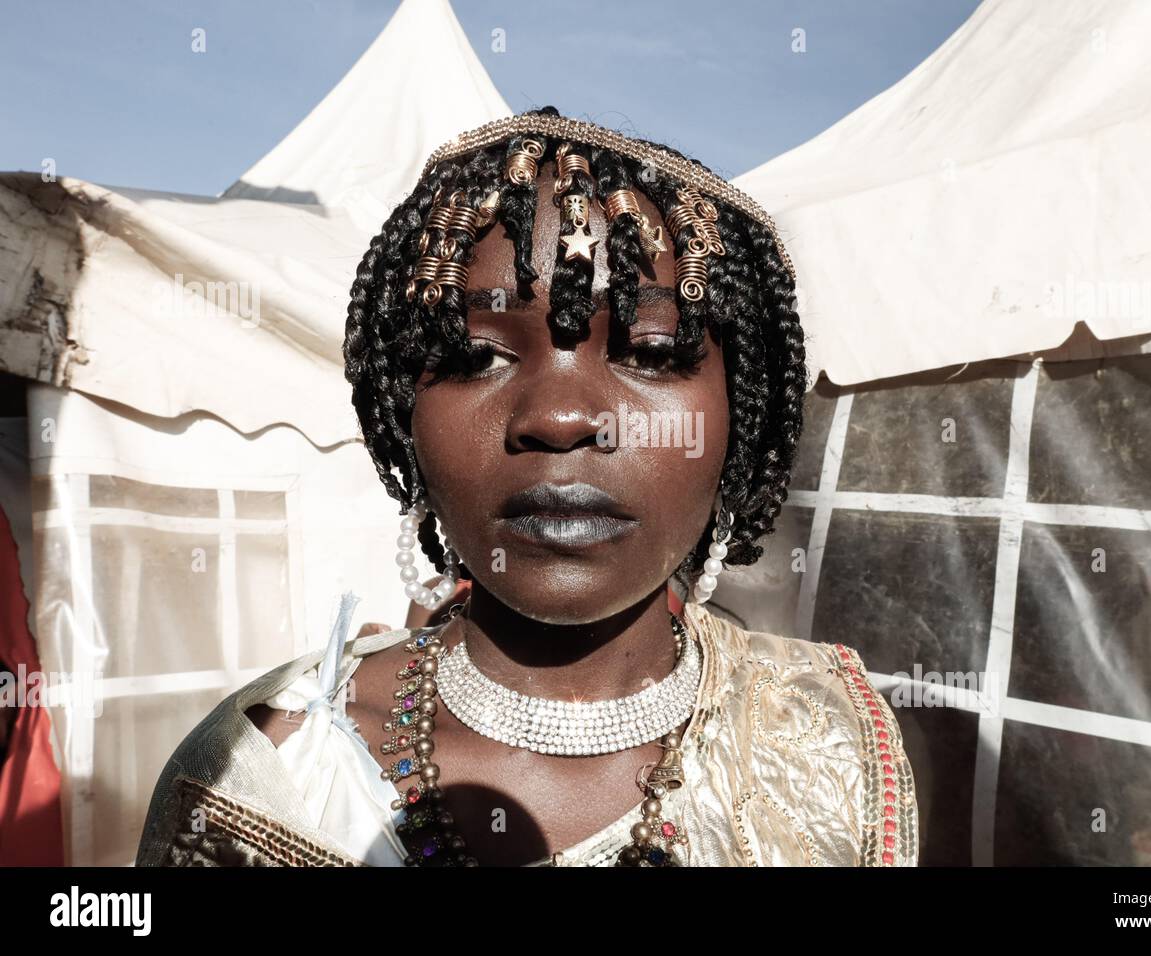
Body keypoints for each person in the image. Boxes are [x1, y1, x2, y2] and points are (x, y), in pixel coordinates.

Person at [135, 107, 918, 867]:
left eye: (648, 352)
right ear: (402, 415)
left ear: (741, 418)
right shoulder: (273, 771)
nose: (563, 416)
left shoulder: (827, 734)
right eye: (476, 358)